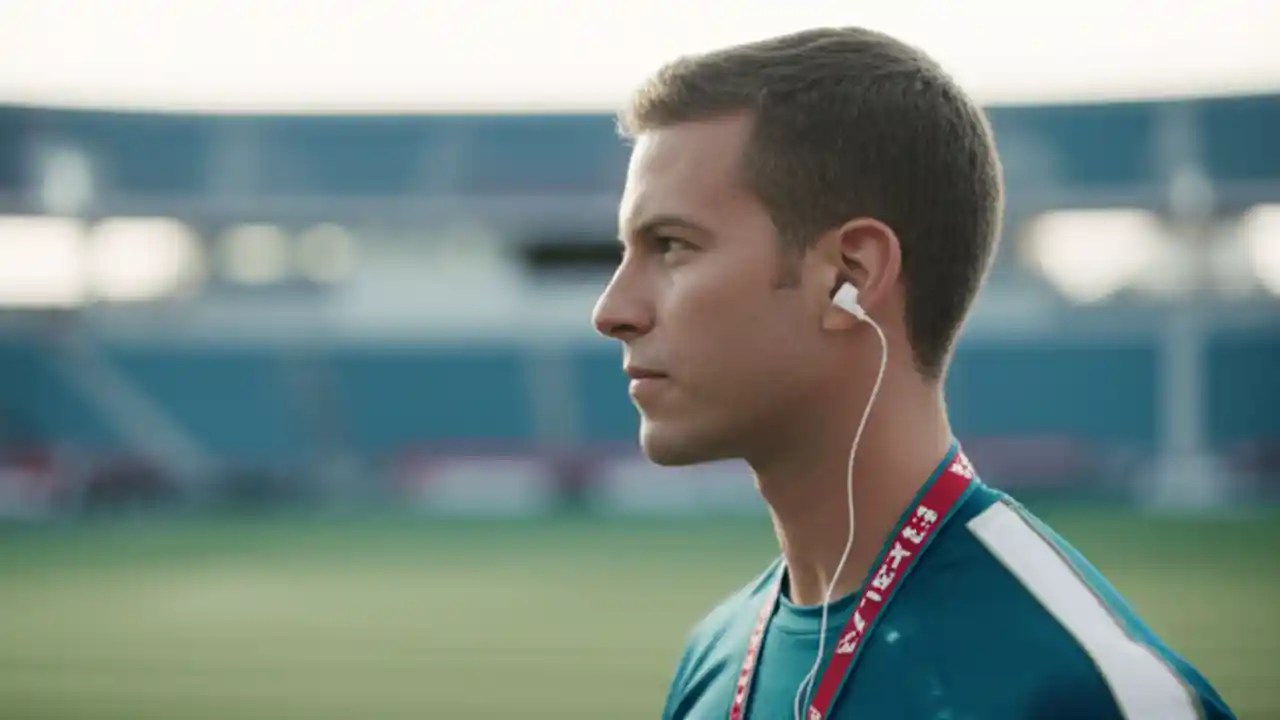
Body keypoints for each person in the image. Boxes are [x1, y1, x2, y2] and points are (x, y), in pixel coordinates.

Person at [591, 26, 1236, 720]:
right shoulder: (715, 657)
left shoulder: (1084, 688)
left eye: (672, 247)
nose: (612, 310)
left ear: (851, 276)